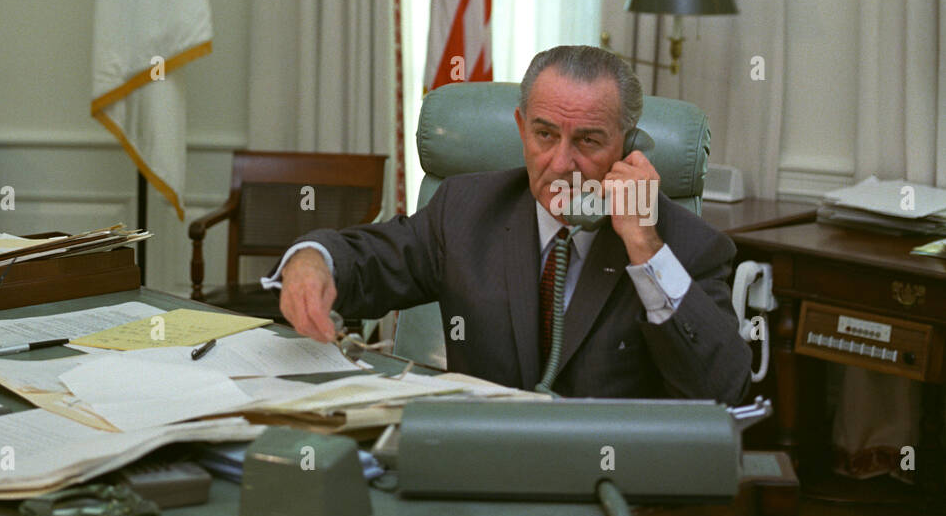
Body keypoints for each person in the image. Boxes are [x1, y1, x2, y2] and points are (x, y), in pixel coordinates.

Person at [267, 45, 752, 402]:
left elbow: (724, 391)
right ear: (521, 129)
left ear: (629, 147)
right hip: (482, 473)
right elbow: (369, 259)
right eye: (545, 135)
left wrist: (644, 246)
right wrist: (314, 261)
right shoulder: (467, 208)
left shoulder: (682, 244)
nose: (561, 163)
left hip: (610, 487)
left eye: (588, 141)